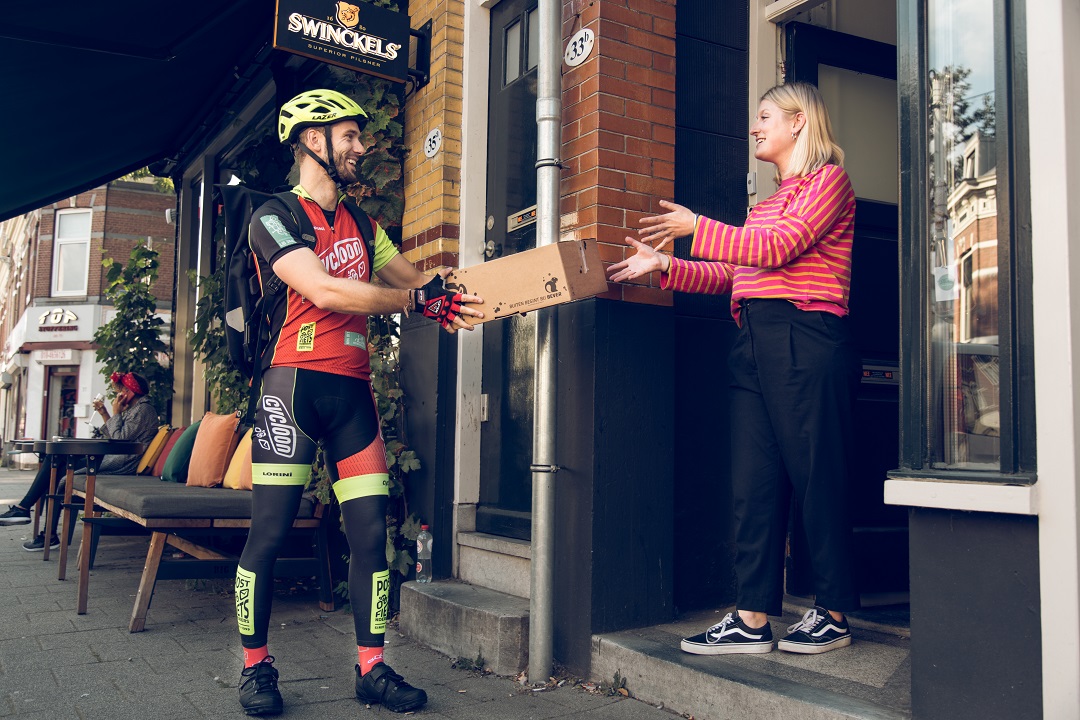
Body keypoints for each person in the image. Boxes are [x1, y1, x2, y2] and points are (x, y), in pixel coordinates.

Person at [233, 88, 483, 717]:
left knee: (372, 532)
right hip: (291, 390)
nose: (361, 147)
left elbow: (419, 281)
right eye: (349, 136)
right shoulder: (272, 216)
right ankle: (255, 668)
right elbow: (323, 289)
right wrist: (413, 303)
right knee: (268, 532)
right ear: (313, 141)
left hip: (352, 395)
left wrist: (488, 290)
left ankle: (371, 667)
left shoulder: (366, 226)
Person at [608, 82, 859, 656]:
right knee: (755, 483)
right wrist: (667, 264)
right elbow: (736, 273)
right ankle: (751, 619)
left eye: (765, 115)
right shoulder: (764, 205)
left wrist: (698, 228)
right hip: (754, 338)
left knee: (819, 477)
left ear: (799, 122)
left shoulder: (829, 183)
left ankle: (834, 611)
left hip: (806, 336)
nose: (754, 126)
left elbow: (779, 248)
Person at [0, 371, 159, 550]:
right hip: (115, 458)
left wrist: (115, 413)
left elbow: (119, 438)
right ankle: (37, 524)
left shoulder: (143, 410)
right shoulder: (135, 409)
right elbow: (116, 435)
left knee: (57, 465)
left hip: (121, 464)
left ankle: (32, 519)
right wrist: (106, 413)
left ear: (129, 392)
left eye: (119, 390)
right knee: (56, 462)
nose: (117, 395)